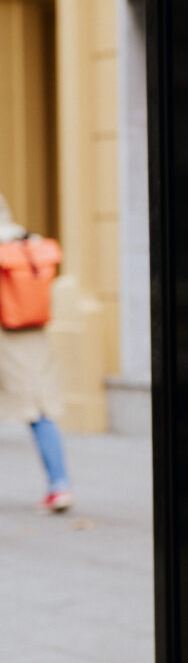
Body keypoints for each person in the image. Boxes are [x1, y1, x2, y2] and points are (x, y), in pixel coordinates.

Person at [0, 192, 73, 512]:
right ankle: (60, 485)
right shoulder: (30, 241)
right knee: (41, 409)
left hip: (6, 336)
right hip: (34, 336)